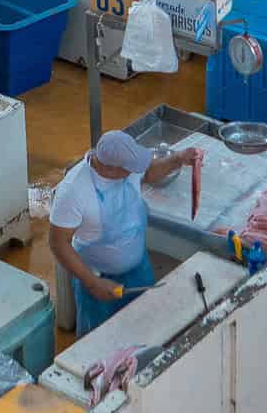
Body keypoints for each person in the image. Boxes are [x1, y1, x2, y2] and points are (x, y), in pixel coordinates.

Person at [49, 130, 203, 335]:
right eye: (130, 168)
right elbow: (58, 243)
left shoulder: (126, 168)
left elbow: (148, 172)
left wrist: (178, 159)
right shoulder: (73, 191)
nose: (135, 171)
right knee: (100, 340)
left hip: (138, 269)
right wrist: (93, 283)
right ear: (111, 169)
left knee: (144, 330)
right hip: (98, 278)